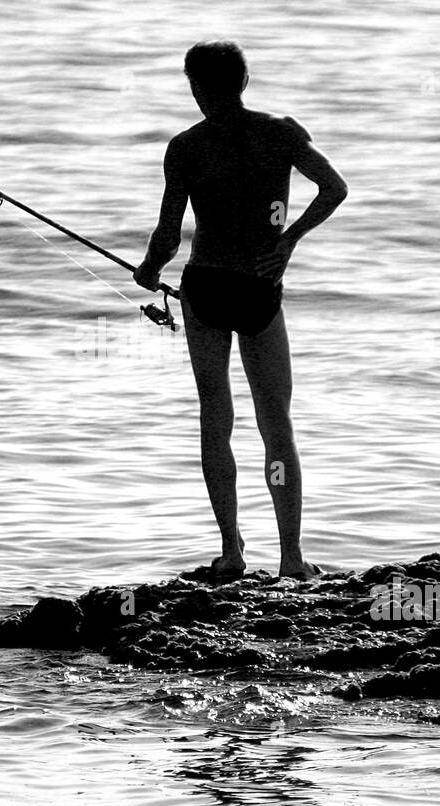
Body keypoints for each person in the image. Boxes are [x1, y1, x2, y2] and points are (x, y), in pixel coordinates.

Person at [134, 40, 348, 581]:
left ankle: (231, 553)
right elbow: (333, 189)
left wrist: (147, 272)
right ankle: (292, 558)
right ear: (244, 80)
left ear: (195, 86)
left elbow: (167, 236)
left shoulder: (185, 147)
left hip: (205, 286)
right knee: (276, 423)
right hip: (258, 286)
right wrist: (290, 239)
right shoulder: (281, 132)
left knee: (216, 417)